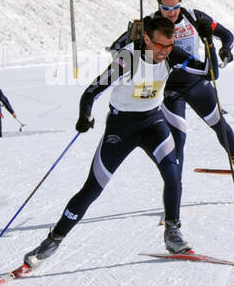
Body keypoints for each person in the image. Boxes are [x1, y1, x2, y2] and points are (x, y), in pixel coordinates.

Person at [21, 15, 210, 268]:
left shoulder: (172, 54)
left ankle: (173, 233)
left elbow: (209, 72)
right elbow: (92, 91)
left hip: (153, 123)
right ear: (146, 39)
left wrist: (208, 40)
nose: (165, 52)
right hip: (122, 128)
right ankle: (53, 239)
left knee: (173, 173)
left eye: (169, 46)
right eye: (160, 46)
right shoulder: (128, 59)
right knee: (93, 187)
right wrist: (84, 116)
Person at [110, 0, 234, 176]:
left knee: (219, 123)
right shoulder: (149, 23)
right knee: (178, 138)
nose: (171, 13)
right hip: (169, 89)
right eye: (165, 8)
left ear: (180, 2)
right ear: (159, 6)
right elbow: (117, 47)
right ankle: (175, 182)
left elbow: (226, 35)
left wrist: (226, 48)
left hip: (196, 81)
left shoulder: (194, 16)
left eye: (175, 7)